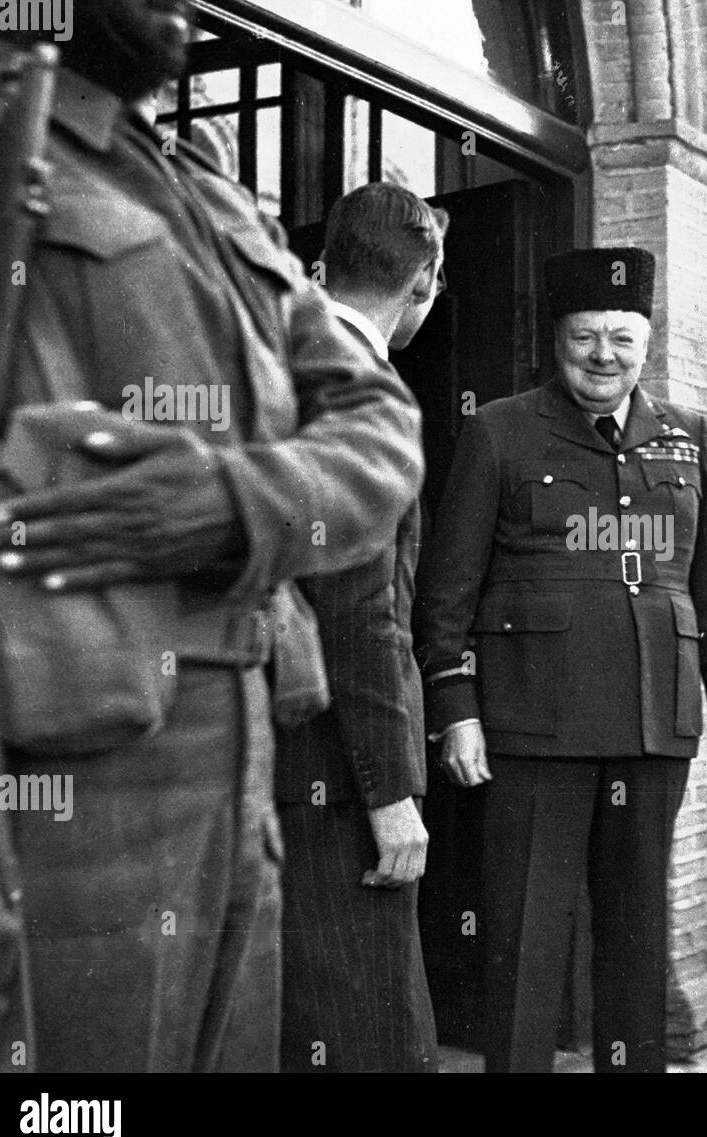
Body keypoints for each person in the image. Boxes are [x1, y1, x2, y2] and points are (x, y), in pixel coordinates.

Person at [0, 2, 423, 1071]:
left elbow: (380, 428)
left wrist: (232, 501)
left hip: (237, 758)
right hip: (55, 773)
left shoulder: (210, 195)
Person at [415, 246, 707, 1073]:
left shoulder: (687, 436)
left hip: (654, 726)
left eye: (622, 338)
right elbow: (447, 593)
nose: (603, 355)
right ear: (557, 338)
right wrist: (455, 710)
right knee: (525, 942)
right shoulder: (499, 430)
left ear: (647, 341)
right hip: (533, 725)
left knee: (636, 938)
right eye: (585, 337)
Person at [274, 182, 448, 1073]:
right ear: (424, 283)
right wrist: (391, 791)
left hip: (268, 743)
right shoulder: (361, 390)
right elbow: (362, 610)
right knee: (367, 1024)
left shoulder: (272, 360)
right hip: (337, 764)